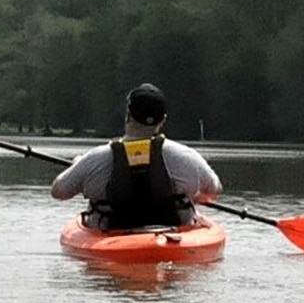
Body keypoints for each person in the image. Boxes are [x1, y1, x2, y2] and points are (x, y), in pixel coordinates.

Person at [50, 83, 222, 230]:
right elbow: (215, 189)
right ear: (162, 120)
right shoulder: (187, 157)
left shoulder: (96, 158)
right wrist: (198, 196)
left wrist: (78, 164)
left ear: (128, 116)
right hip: (172, 239)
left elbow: (59, 191)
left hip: (111, 239)